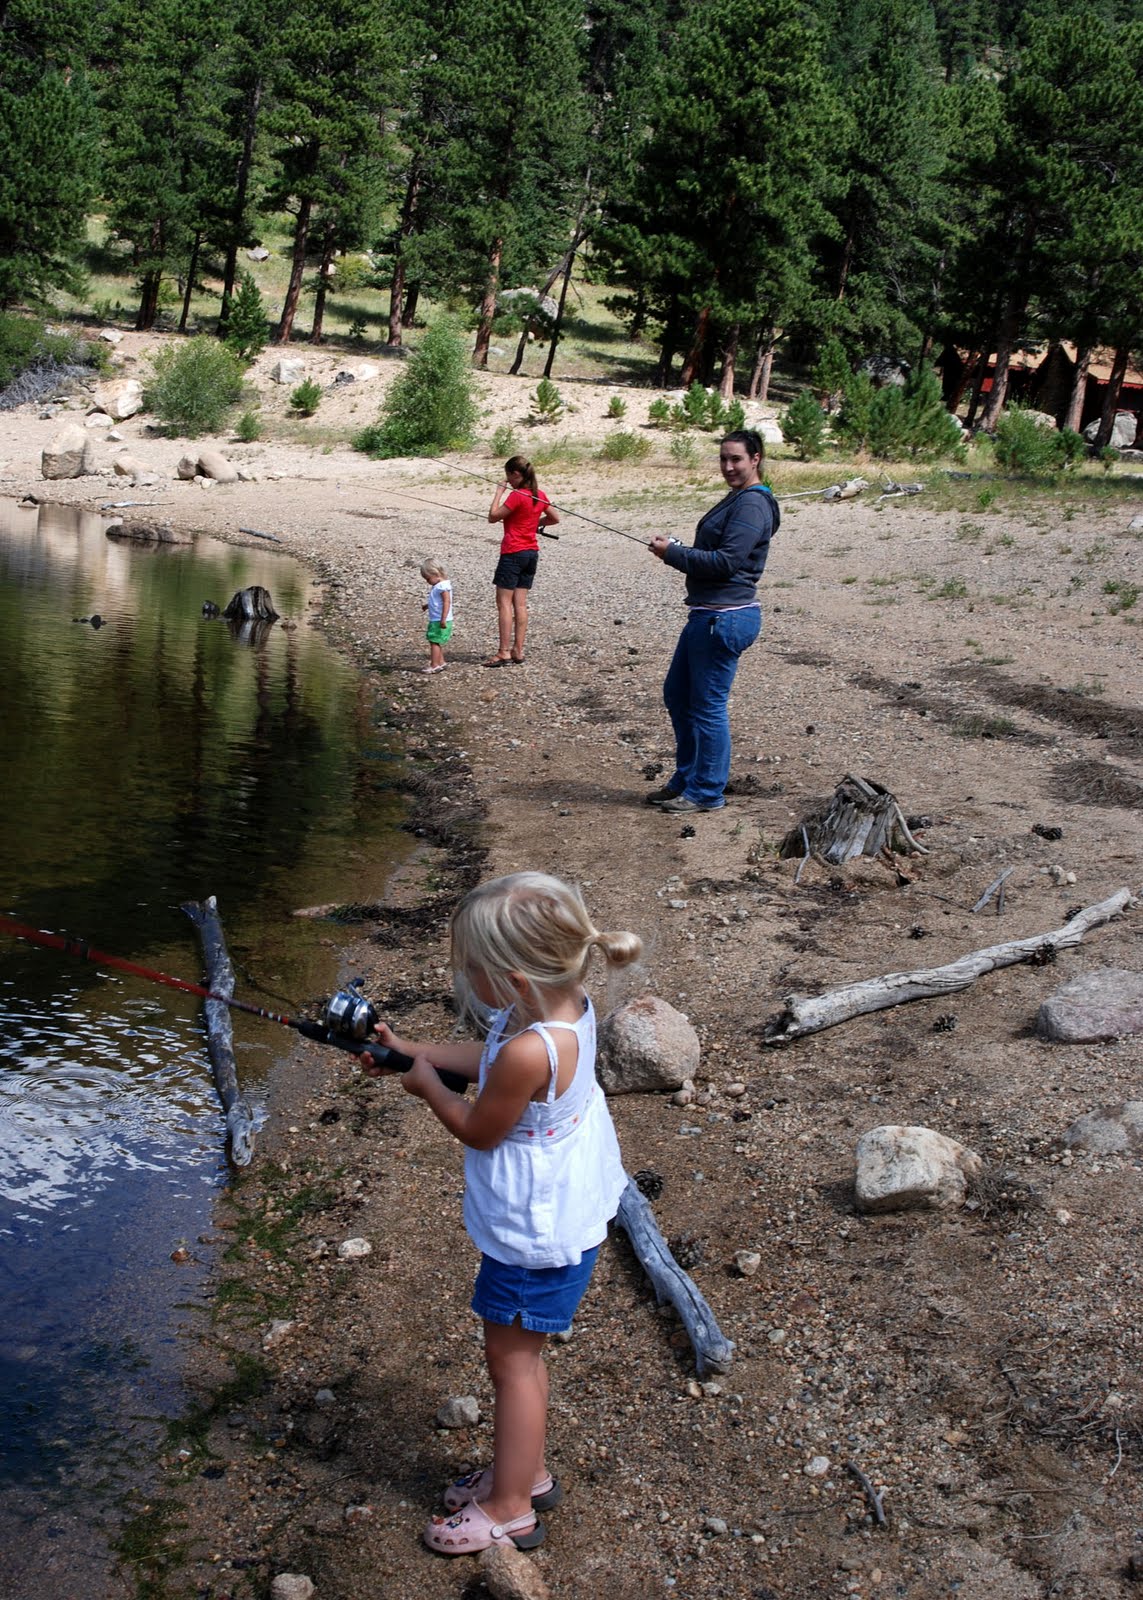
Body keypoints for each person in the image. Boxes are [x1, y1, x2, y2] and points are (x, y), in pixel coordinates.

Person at [361, 871, 640, 1555]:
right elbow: (483, 1061)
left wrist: (426, 1087)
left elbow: (480, 1126)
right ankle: (526, 1471)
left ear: (513, 978)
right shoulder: (560, 1007)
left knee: (512, 1364)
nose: (460, 976)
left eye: (468, 968)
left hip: (535, 1234)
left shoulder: (527, 1049)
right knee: (522, 1358)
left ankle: (511, 1507)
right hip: (564, 1211)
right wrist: (413, 1052)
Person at [646, 429, 780, 813]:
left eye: (736, 459)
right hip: (706, 614)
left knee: (707, 707)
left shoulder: (753, 504)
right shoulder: (739, 498)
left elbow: (726, 563)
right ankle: (687, 779)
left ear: (755, 459)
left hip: (725, 619)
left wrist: (673, 553)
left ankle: (706, 792)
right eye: (723, 458)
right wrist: (678, 550)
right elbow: (715, 552)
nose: (728, 466)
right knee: (678, 695)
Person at [483, 456, 560, 666]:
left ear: (516, 474)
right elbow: (554, 518)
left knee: (504, 604)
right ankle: (518, 650)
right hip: (531, 554)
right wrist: (534, 524)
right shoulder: (539, 495)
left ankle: (503, 652)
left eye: (508, 476)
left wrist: (499, 492)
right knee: (521, 604)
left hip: (513, 553)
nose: (507, 480)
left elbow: (493, 516)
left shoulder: (517, 496)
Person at [420, 557, 453, 674]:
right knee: (435, 640)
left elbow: (446, 602)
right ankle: (441, 661)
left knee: (434, 641)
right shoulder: (438, 586)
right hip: (436, 618)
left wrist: (443, 619)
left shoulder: (442, 587)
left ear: (435, 573)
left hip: (439, 620)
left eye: (428, 578)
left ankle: (434, 665)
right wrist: (428, 605)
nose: (427, 581)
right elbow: (436, 602)